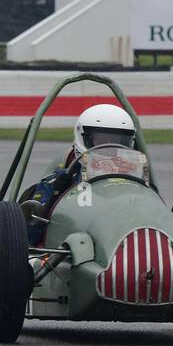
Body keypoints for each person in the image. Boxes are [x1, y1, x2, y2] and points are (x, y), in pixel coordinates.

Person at [21, 104, 137, 244]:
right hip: (71, 250)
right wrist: (55, 196)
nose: (108, 148)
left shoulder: (138, 181)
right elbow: (27, 237)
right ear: (83, 138)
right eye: (101, 141)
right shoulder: (58, 182)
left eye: (117, 142)